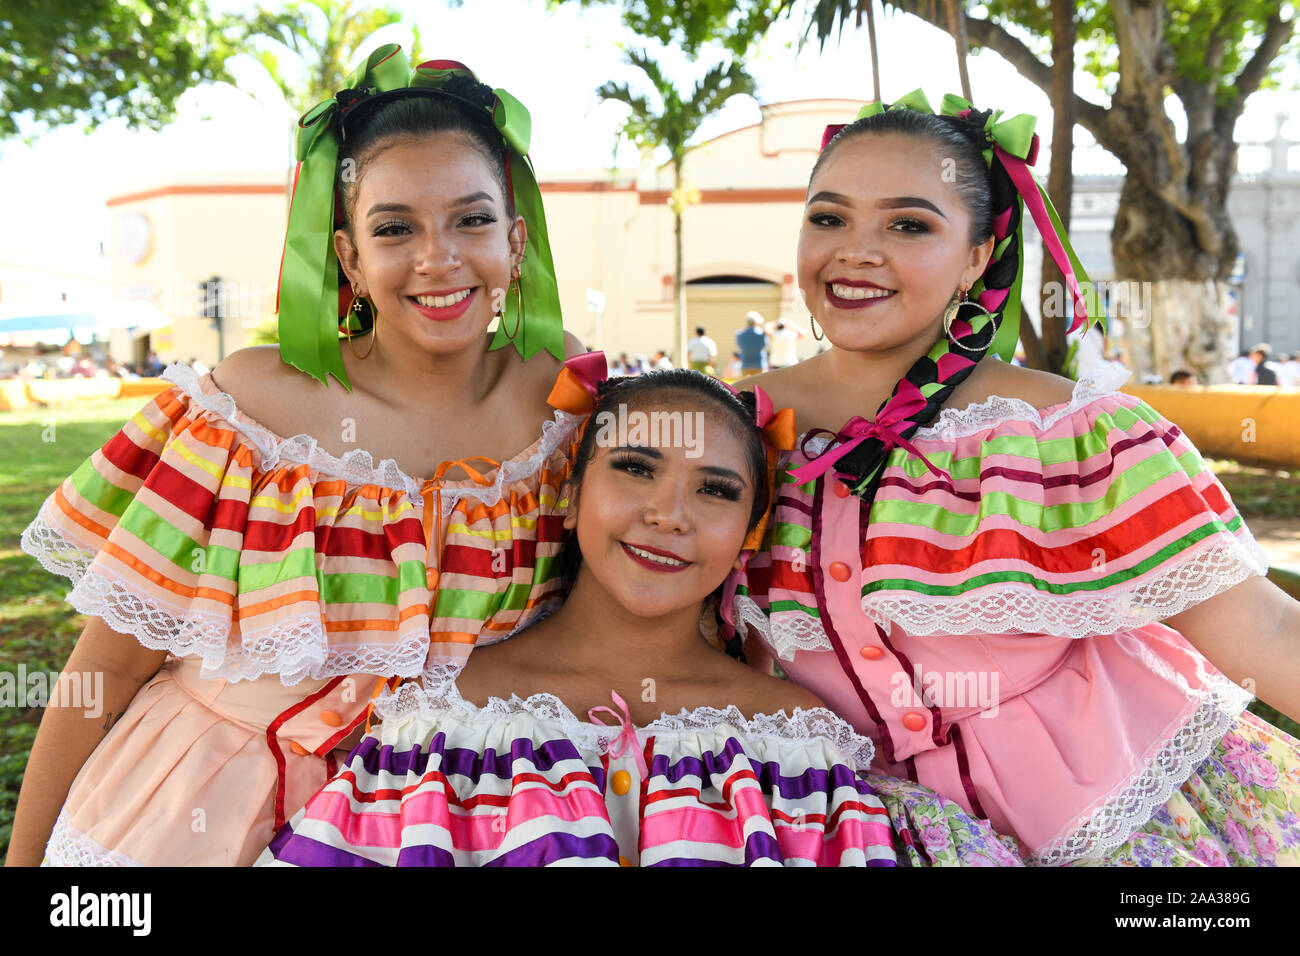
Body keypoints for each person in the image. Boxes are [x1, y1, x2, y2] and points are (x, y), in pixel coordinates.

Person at [10, 47, 587, 867]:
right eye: (395, 228)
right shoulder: (251, 408)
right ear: (349, 257)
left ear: (516, 239)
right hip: (198, 819)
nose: (439, 258)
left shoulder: (562, 399)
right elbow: (106, 663)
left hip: (459, 823)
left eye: (472, 219)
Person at [729, 91, 1300, 866]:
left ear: (976, 255)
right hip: (843, 830)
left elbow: (1264, 631)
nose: (855, 250)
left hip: (1121, 821)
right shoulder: (727, 431)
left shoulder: (1079, 432)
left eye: (908, 224)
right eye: (828, 218)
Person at [259, 368, 1025, 866]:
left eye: (716, 490)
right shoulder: (442, 721)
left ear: (752, 531)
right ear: (570, 492)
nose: (668, 515)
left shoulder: (799, 743)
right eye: (635, 469)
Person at [736, 312, 768, 377]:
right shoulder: (762, 334)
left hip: (745, 365)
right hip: (759, 365)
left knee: (745, 386)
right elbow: (765, 346)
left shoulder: (740, 334)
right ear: (756, 322)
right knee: (760, 385)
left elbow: (739, 346)